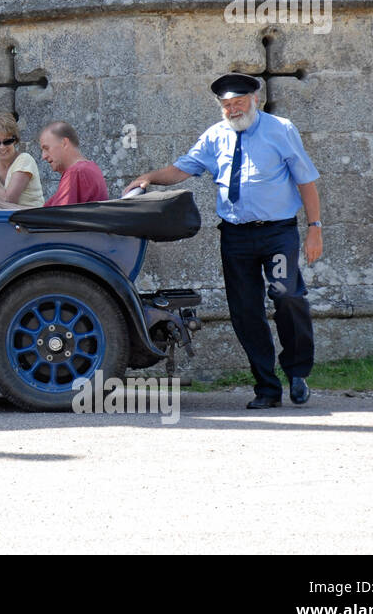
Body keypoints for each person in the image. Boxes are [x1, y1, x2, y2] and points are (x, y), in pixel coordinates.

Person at [125, 73, 322, 410]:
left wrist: (314, 227)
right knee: (245, 312)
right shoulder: (215, 137)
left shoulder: (281, 129)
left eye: (239, 103)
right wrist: (149, 178)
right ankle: (267, 387)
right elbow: (183, 168)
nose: (233, 110)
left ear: (255, 100)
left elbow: (306, 179)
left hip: (277, 233)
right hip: (236, 235)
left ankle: (297, 371)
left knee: (287, 296)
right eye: (227, 105)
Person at [0, 111, 44, 210]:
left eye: (7, 141)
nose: (2, 147)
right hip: (6, 221)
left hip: (30, 219)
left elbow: (9, 200)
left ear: (15, 140)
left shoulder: (24, 160)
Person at [40, 121, 108, 206]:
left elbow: (57, 215)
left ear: (64, 143)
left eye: (47, 148)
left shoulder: (76, 172)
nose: (43, 156)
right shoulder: (90, 167)